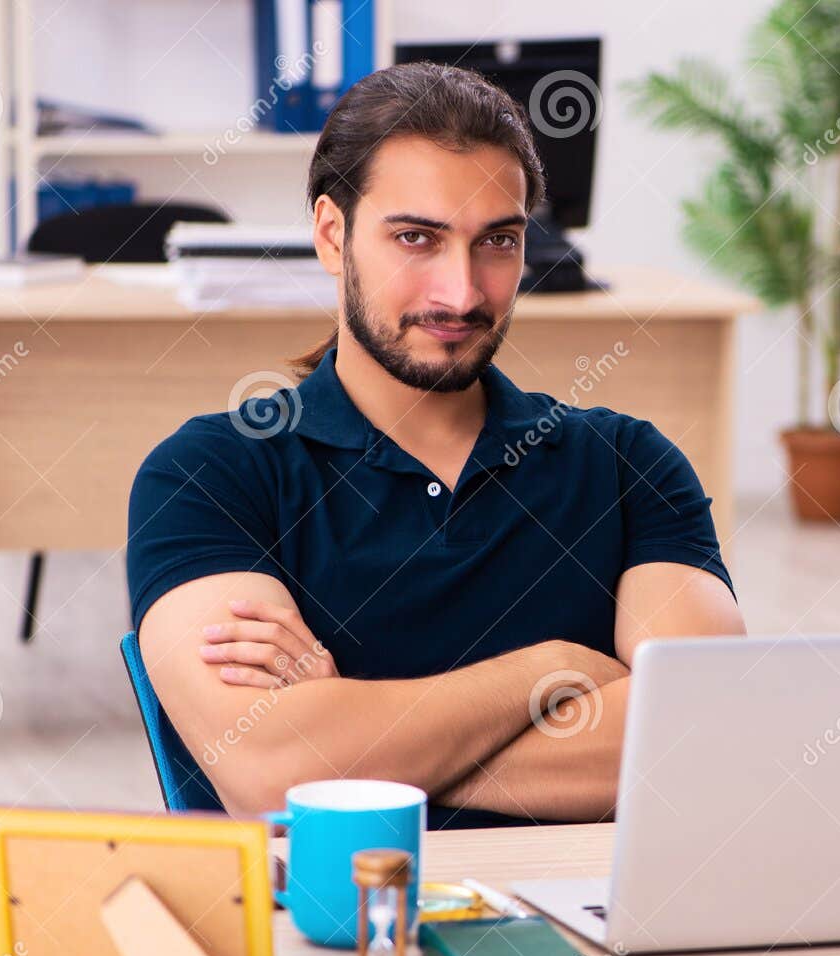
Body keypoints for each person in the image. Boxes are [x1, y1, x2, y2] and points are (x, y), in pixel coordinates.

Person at [126, 62, 744, 827]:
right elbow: (264, 771)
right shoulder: (209, 475)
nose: (461, 292)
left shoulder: (628, 466)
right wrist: (546, 672)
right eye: (417, 238)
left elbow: (701, 743)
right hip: (332, 931)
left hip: (583, 923)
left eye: (498, 241)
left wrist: (350, 750)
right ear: (331, 234)